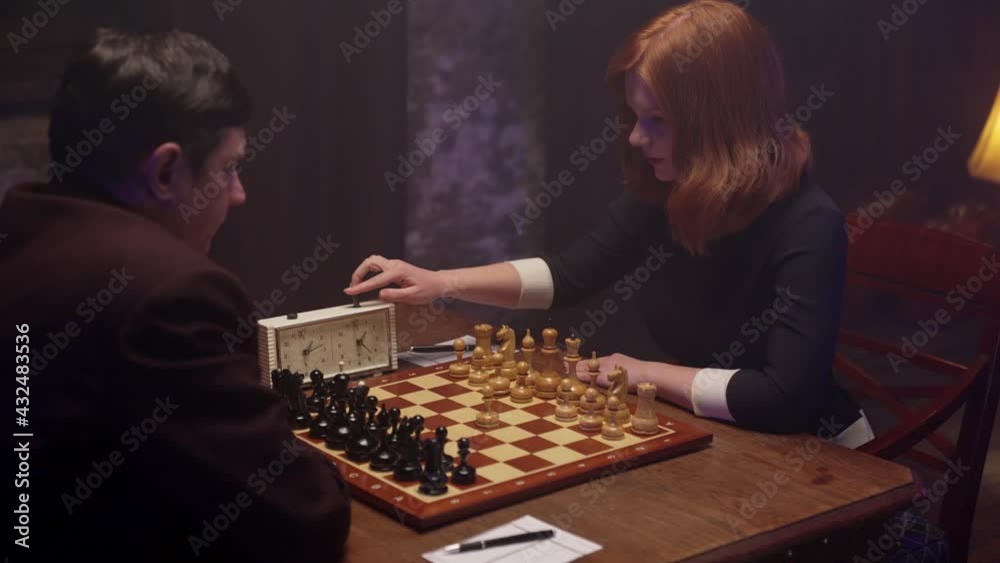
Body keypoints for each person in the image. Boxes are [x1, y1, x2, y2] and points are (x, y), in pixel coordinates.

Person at [345, 0, 874, 448]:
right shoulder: (665, 192)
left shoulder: (809, 224)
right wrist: (440, 282)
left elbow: (782, 398)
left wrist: (643, 372)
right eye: (636, 117)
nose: (638, 140)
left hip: (820, 460)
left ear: (719, 122)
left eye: (658, 121)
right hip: (727, 439)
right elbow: (570, 274)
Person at [1, 29, 350, 562]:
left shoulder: (21, 233)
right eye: (228, 168)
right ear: (165, 171)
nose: (239, 194)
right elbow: (302, 517)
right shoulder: (165, 294)